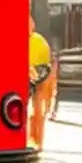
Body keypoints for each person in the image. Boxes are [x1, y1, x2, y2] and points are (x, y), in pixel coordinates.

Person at [28, 16, 56, 150]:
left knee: (38, 114)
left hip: (38, 83)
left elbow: (47, 67)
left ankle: (37, 142)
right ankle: (31, 140)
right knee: (30, 115)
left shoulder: (39, 41)